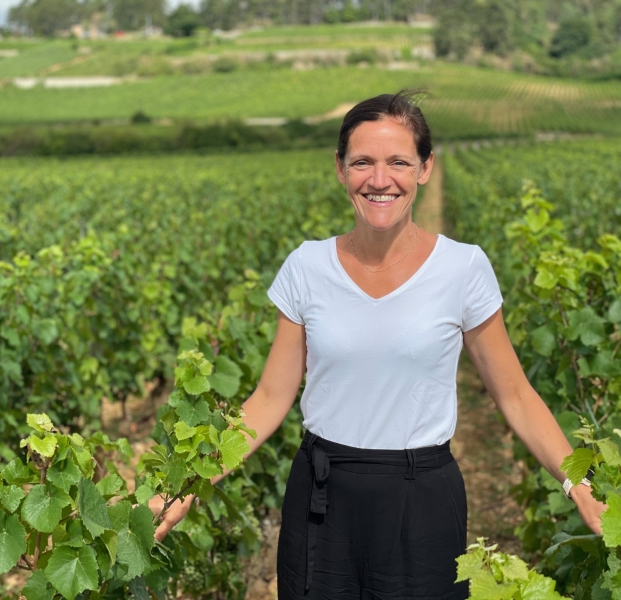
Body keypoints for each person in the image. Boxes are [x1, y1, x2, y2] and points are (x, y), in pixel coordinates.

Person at [149, 91, 607, 599]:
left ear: (425, 169)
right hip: (322, 497)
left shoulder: (463, 269)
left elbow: (516, 396)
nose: (380, 179)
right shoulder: (306, 267)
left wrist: (579, 488)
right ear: (340, 169)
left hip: (422, 499)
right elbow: (270, 398)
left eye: (398, 162)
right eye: (362, 162)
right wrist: (189, 482)